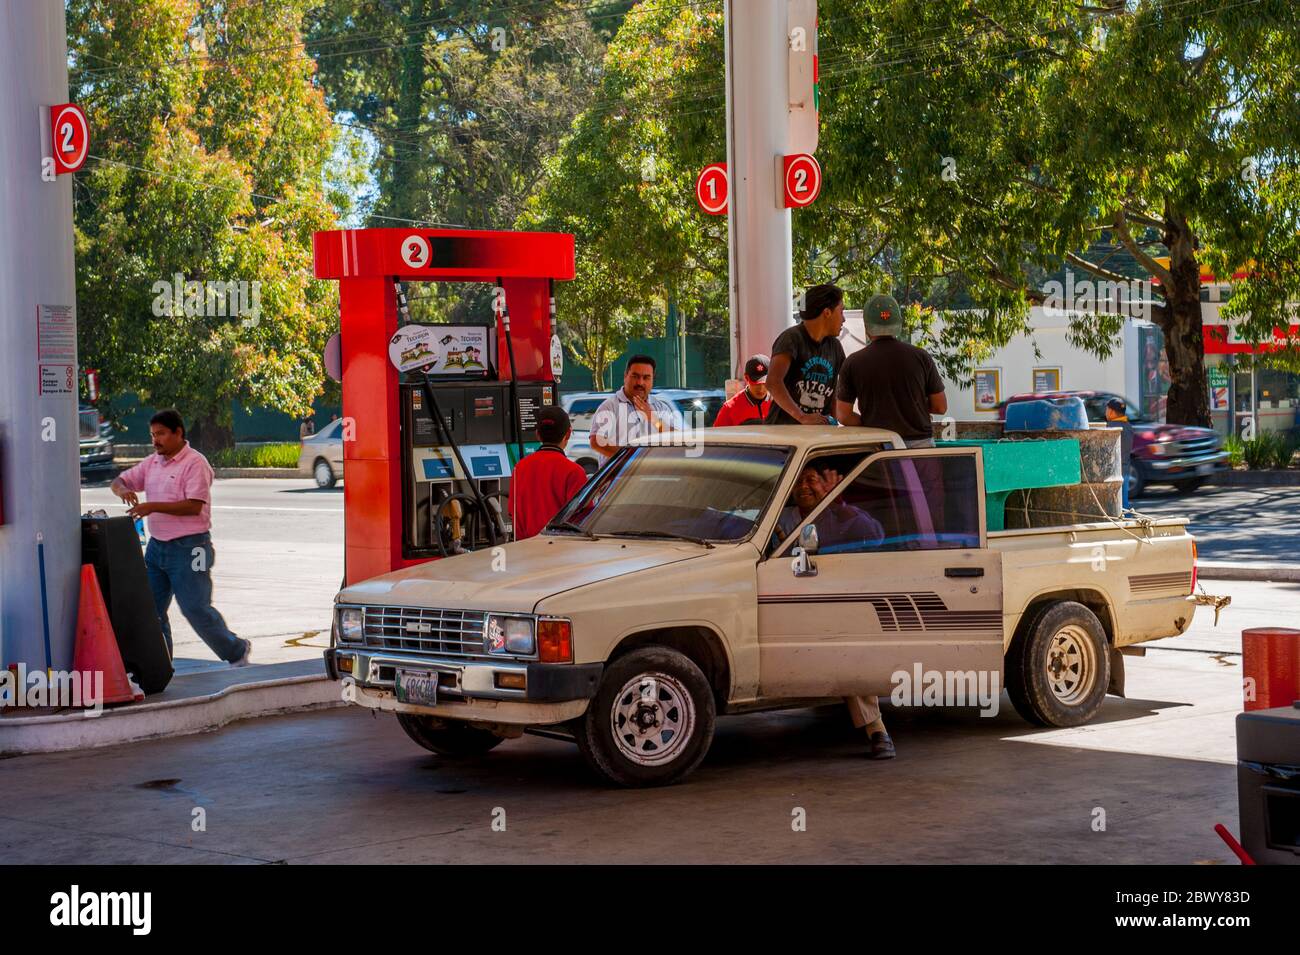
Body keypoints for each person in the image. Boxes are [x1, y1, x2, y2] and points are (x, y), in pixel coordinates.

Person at [110, 410, 251, 666]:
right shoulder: (153, 462)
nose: (156, 440)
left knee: (195, 608)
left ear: (178, 432)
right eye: (153, 435)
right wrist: (122, 489)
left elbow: (193, 506)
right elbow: (119, 480)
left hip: (190, 547)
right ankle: (161, 664)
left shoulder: (195, 463)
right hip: (157, 548)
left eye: (161, 434)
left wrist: (151, 507)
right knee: (150, 610)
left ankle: (236, 650)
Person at [776, 463, 894, 760]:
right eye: (799, 481)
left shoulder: (840, 515)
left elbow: (875, 535)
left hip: (832, 606)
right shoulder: (784, 518)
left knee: (844, 649)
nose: (804, 486)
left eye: (812, 480)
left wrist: (837, 503)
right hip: (788, 604)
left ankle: (877, 730)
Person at [835, 293, 947, 449]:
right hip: (921, 449)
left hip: (878, 451)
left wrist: (870, 423)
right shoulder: (921, 357)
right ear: (898, 324)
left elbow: (843, 415)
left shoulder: (853, 363)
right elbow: (940, 407)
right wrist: (911, 405)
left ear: (867, 327)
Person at [766, 283, 846, 424]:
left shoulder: (835, 347)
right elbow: (773, 382)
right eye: (841, 311)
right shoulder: (791, 338)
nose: (843, 319)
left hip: (818, 435)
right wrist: (801, 417)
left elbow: (834, 394)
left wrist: (837, 425)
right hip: (784, 433)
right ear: (827, 312)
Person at [508, 405, 589, 540]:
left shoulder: (519, 468)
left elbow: (513, 513)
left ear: (538, 434)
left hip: (524, 551)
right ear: (568, 434)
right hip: (560, 551)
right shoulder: (575, 472)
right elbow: (583, 518)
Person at [590, 354, 684, 458]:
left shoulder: (661, 408)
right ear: (625, 376)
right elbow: (596, 442)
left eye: (646, 377)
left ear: (653, 379)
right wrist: (632, 459)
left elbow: (677, 439)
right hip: (621, 473)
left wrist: (653, 419)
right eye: (635, 376)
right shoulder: (610, 406)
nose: (640, 382)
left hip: (653, 473)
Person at [713, 355, 773, 427]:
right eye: (756, 383)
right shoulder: (730, 408)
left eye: (764, 383)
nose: (761, 389)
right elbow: (718, 436)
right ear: (746, 378)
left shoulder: (777, 404)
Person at [1106, 398, 1134, 508]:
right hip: (1125, 471)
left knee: (1116, 505)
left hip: (1112, 474)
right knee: (1123, 502)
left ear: (1111, 412)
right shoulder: (1128, 426)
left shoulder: (1111, 427)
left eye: (1107, 409)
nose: (1106, 412)